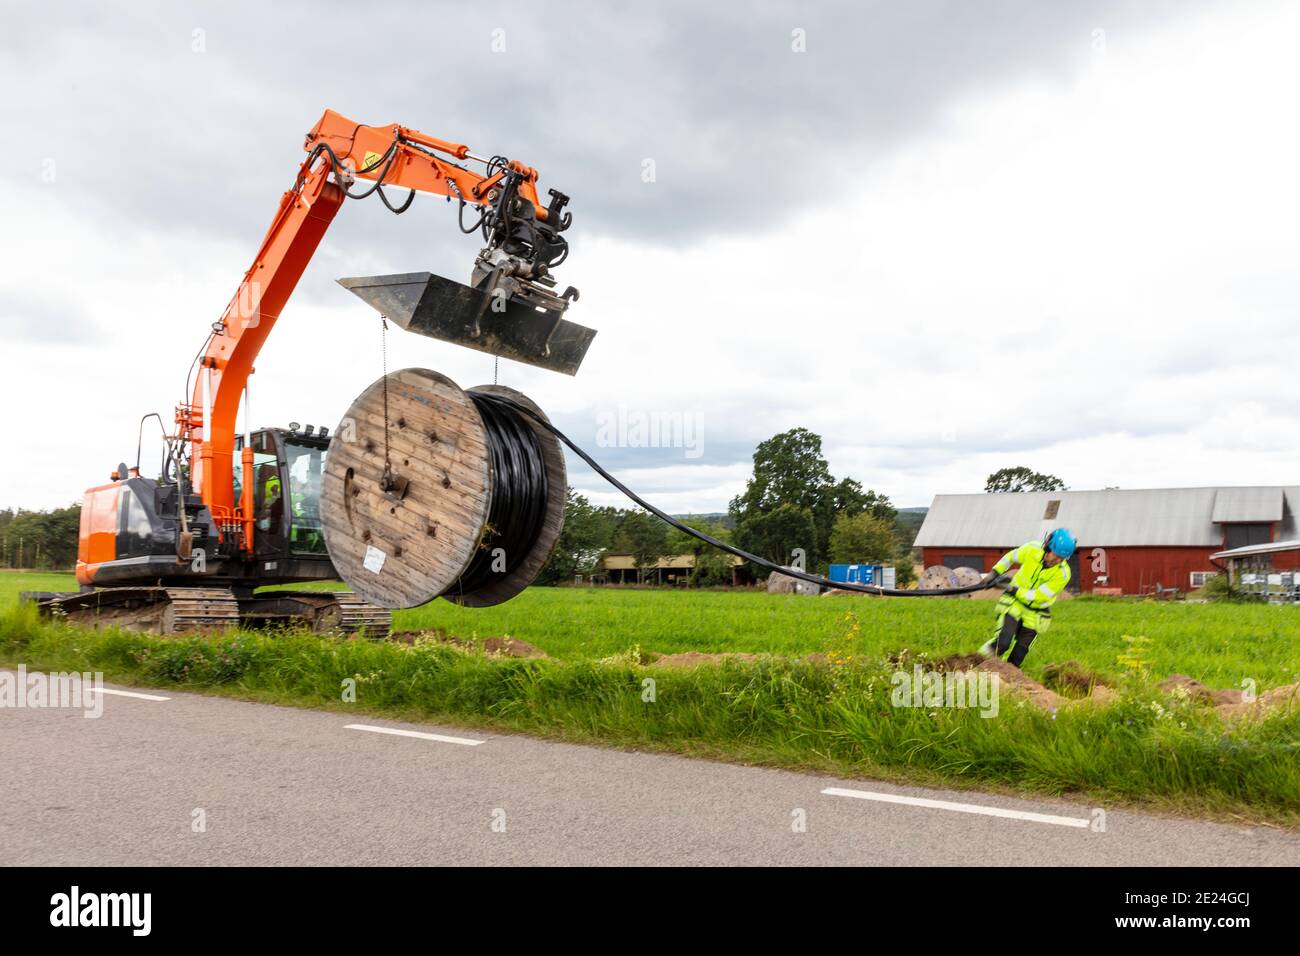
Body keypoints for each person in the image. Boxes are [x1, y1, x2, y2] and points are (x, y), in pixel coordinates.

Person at [979, 528, 1076, 668]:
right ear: (1048, 546)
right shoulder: (1032, 550)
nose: (1058, 560)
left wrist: (1012, 589)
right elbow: (1011, 557)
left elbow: (1039, 596)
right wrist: (995, 572)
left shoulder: (1063, 574)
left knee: (1019, 654)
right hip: (1014, 603)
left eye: (1063, 558)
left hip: (1036, 612)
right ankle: (975, 664)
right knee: (1002, 643)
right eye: (1056, 555)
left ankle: (1009, 680)